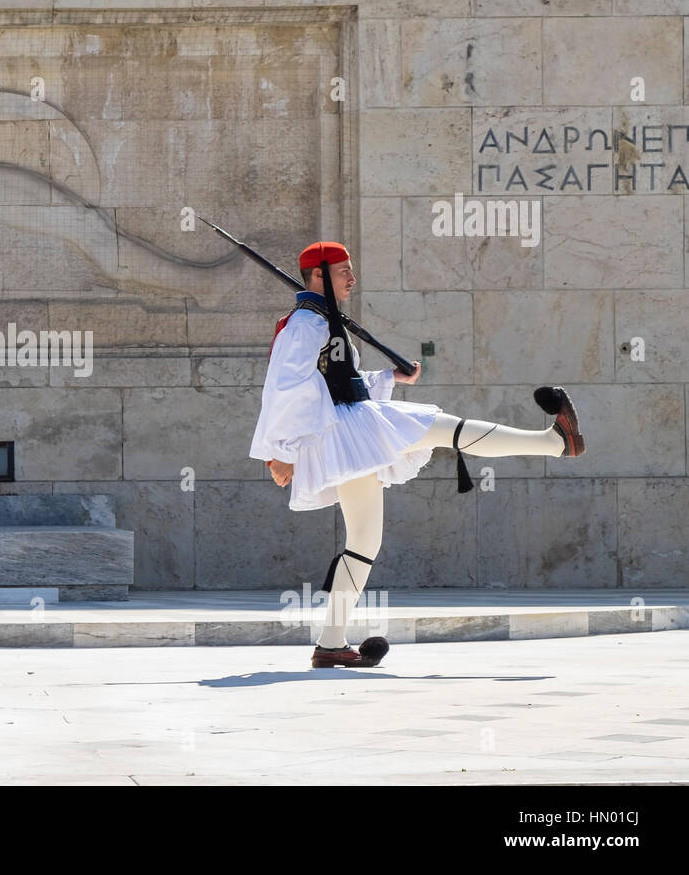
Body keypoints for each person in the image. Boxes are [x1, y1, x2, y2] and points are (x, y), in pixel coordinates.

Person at [250, 241, 584, 669]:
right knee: (441, 427)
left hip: (347, 431)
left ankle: (331, 643)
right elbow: (283, 390)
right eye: (342, 272)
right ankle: (554, 442)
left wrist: (389, 377)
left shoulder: (321, 320)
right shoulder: (304, 325)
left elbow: (341, 381)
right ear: (318, 276)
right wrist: (282, 452)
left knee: (364, 542)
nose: (352, 278)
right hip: (342, 432)